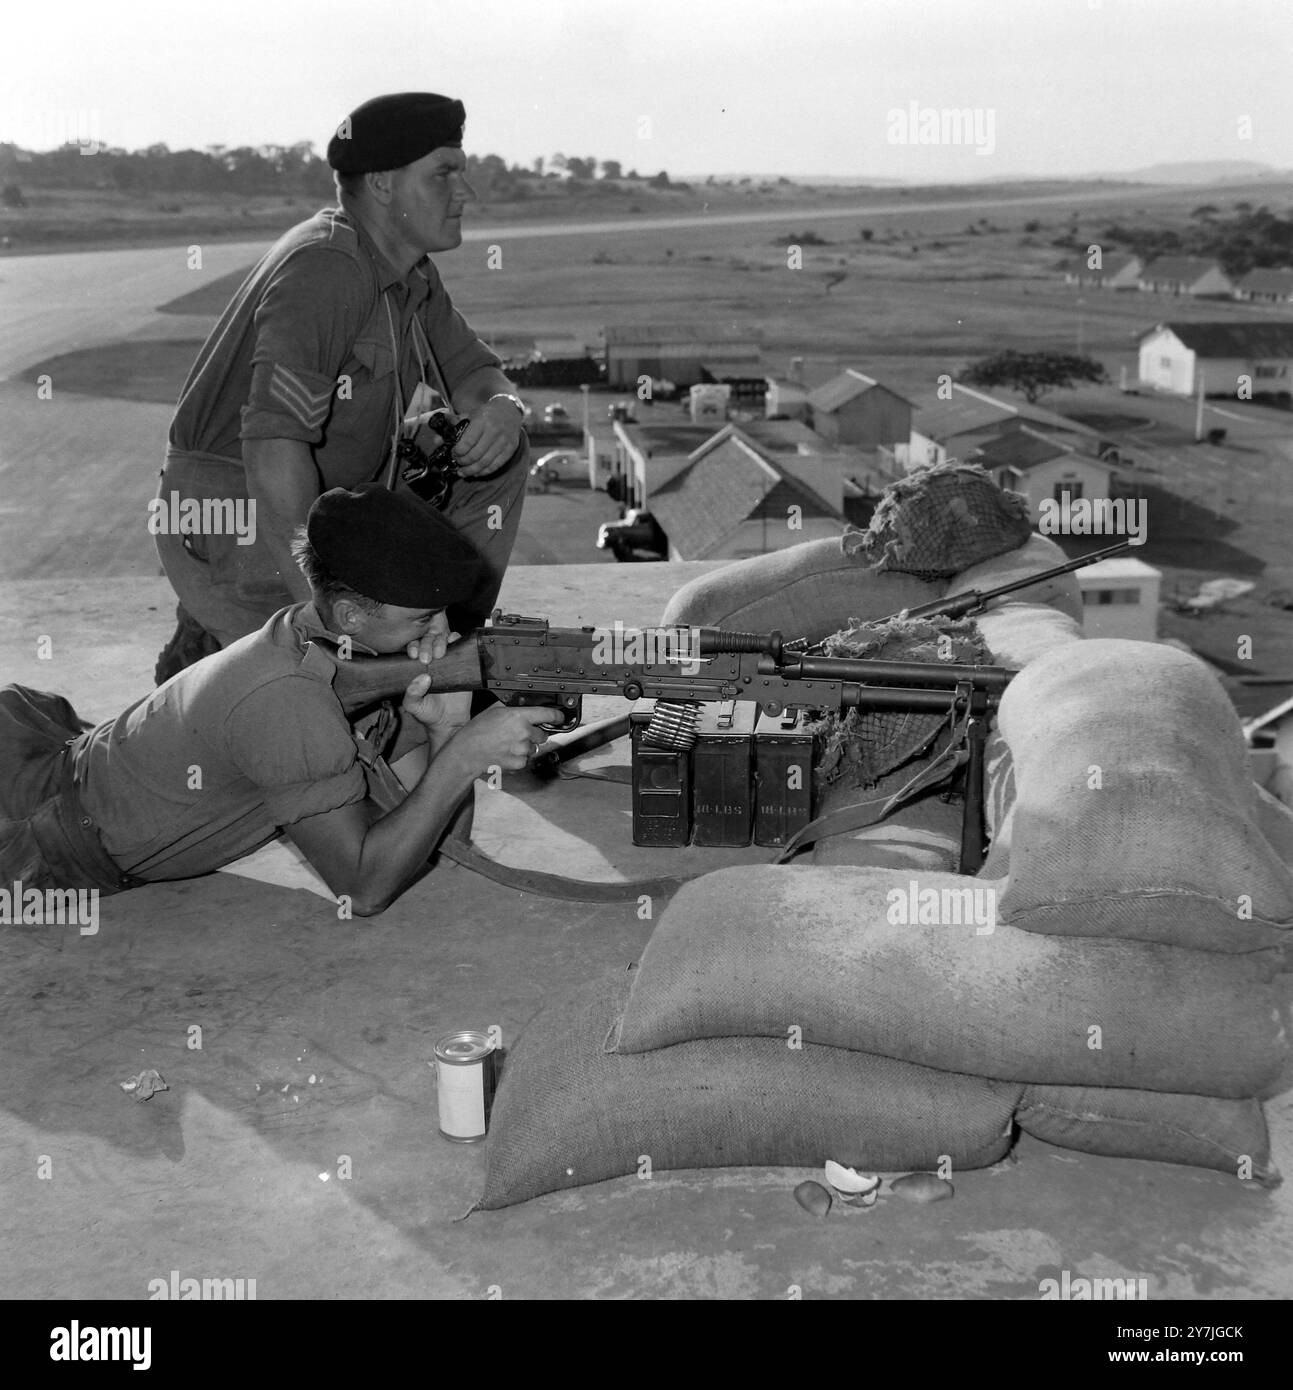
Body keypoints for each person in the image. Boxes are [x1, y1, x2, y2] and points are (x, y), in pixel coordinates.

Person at [0, 486, 558, 917]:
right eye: (422, 617)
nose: (443, 631)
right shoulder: (287, 700)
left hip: (67, 764)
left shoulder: (324, 644)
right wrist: (463, 758)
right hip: (40, 829)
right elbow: (363, 890)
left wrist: (447, 735)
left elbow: (434, 848)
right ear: (352, 617)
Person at [153, 90, 529, 682]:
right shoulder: (328, 268)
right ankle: (247, 641)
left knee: (498, 453)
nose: (465, 192)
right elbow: (273, 451)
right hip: (234, 510)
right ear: (382, 184)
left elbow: (474, 372)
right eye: (444, 174)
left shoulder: (407, 271)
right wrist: (328, 618)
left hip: (326, 495)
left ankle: (442, 636)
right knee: (340, 708)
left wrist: (503, 409)